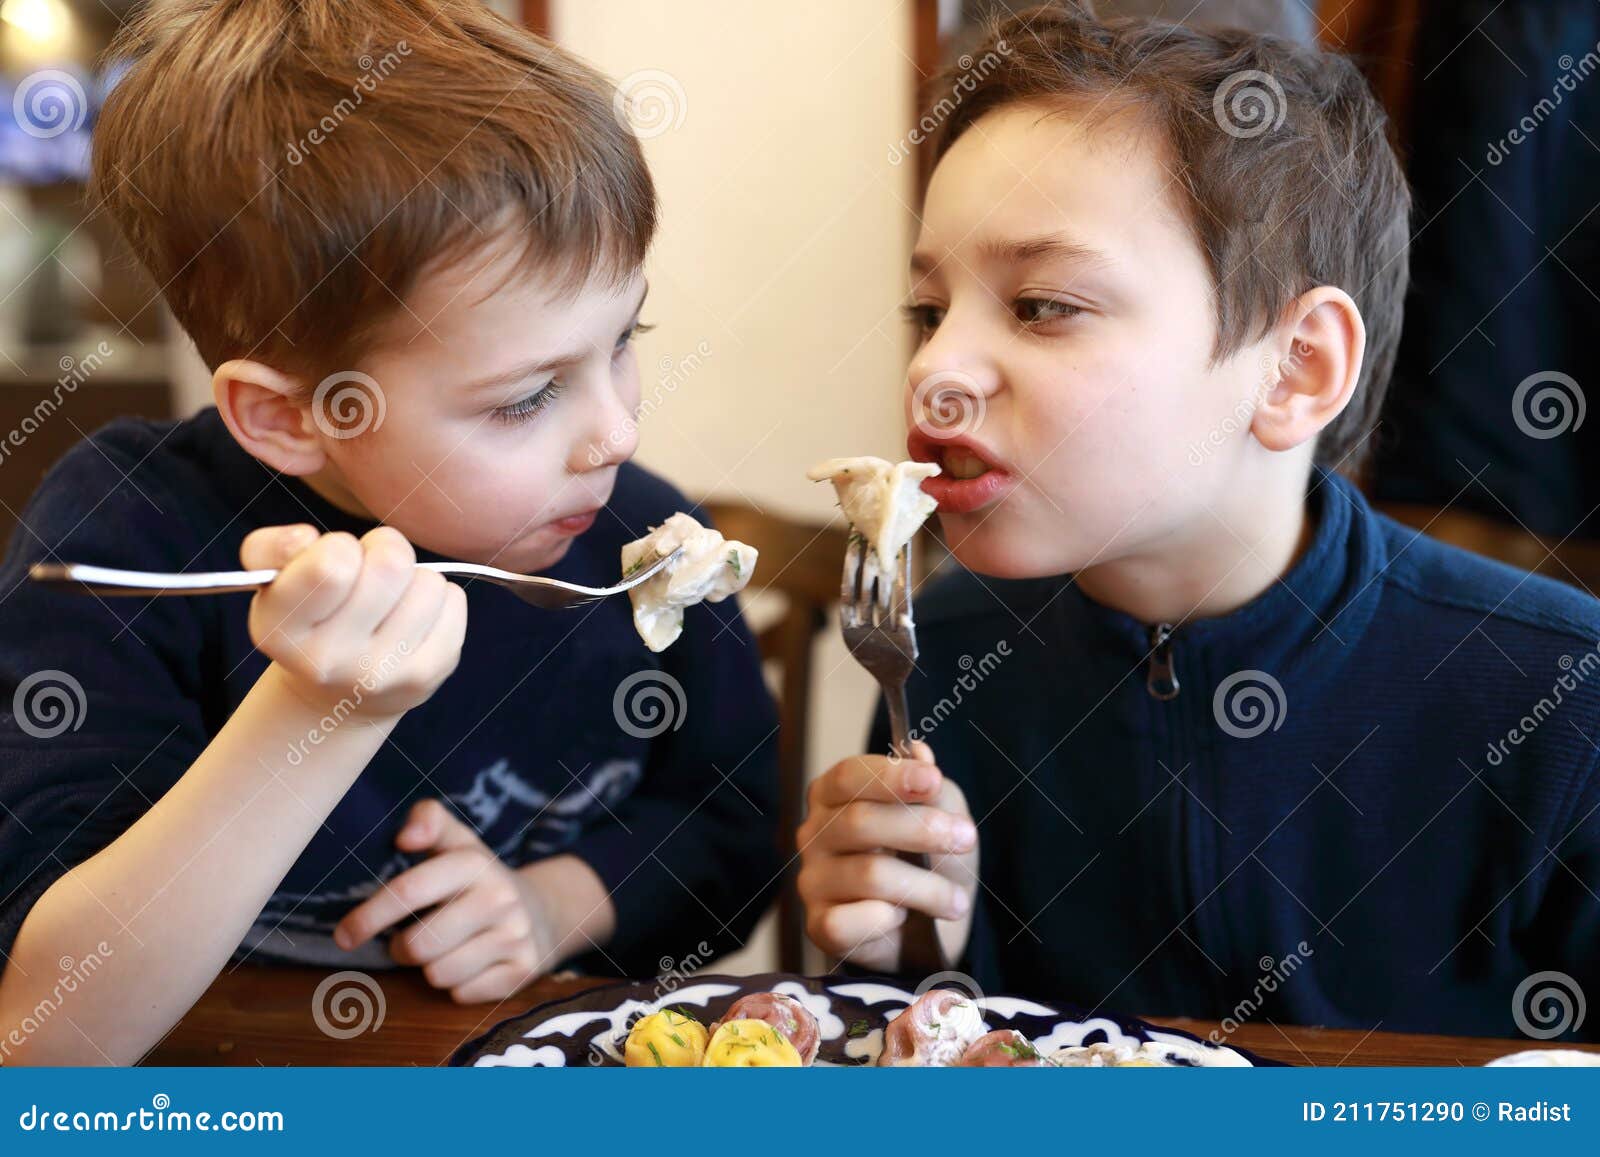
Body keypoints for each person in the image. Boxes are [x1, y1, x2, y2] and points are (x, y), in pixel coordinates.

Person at [798, 2, 1600, 1041]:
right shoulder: (940, 655)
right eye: (929, 309)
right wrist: (916, 963)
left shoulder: (1555, 698)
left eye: (1041, 303)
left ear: (1295, 367)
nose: (933, 369)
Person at [0, 0, 777, 1065]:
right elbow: (44, 1043)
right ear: (289, 416)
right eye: (525, 397)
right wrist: (314, 711)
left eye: (623, 340)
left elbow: (731, 823)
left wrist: (554, 904)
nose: (613, 430)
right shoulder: (133, 535)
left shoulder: (634, 537)